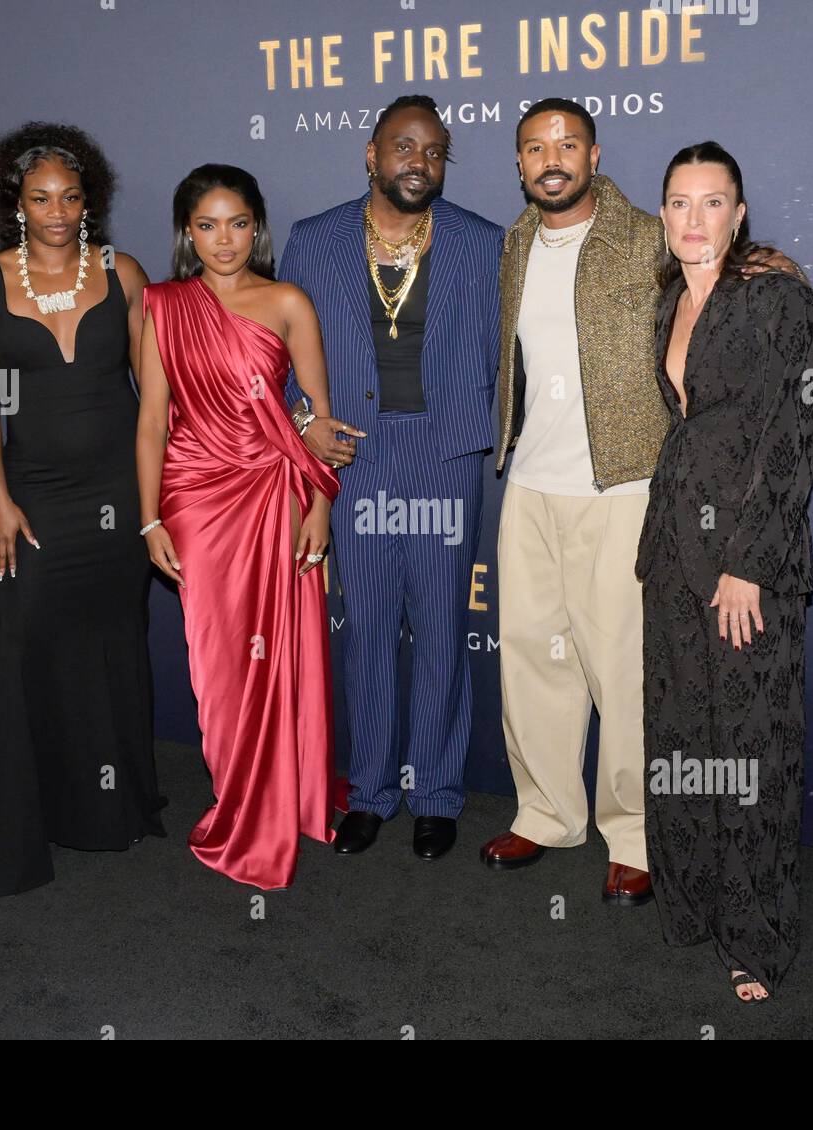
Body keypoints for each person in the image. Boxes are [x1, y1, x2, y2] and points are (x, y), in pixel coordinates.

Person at [0, 122, 166, 896]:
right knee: (33, 648)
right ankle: (30, 814)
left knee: (112, 644)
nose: (56, 211)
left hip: (119, 493)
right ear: (15, 203)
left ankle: (111, 807)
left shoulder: (123, 273)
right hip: (35, 498)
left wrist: (159, 501)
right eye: (40, 198)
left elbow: (156, 392)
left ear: (87, 199)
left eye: (69, 196)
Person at [277, 95, 503, 860]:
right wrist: (305, 418)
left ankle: (436, 794)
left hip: (445, 455)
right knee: (368, 629)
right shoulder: (313, 241)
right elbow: (276, 350)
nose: (419, 162)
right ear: (370, 156)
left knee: (442, 626)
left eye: (435, 151)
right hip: (357, 454)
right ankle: (369, 793)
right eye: (404, 147)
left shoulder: (483, 243)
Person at [635, 141, 813, 1001]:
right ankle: (690, 903)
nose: (694, 220)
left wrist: (749, 564)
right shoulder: (670, 298)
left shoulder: (780, 300)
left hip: (748, 556)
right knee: (681, 735)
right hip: (675, 545)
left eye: (713, 203)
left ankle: (756, 935)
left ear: (741, 213)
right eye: (679, 202)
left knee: (748, 747)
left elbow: (794, 441)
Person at [481, 99, 664, 905]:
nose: (550, 159)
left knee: (622, 670)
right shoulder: (516, 242)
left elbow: (716, 271)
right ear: (519, 163)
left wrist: (763, 264)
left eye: (566, 144)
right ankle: (549, 812)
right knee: (531, 659)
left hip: (621, 484)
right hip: (528, 483)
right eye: (533, 147)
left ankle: (636, 837)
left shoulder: (648, 236)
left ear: (594, 154)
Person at [137, 165, 339, 891]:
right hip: (194, 496)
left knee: (278, 654)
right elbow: (151, 424)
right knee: (219, 664)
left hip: (275, 490)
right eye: (207, 225)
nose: (224, 240)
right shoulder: (161, 306)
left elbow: (316, 418)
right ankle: (240, 800)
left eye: (238, 223)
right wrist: (149, 518)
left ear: (258, 226)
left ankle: (285, 796)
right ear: (187, 233)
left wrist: (319, 506)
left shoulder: (287, 300)